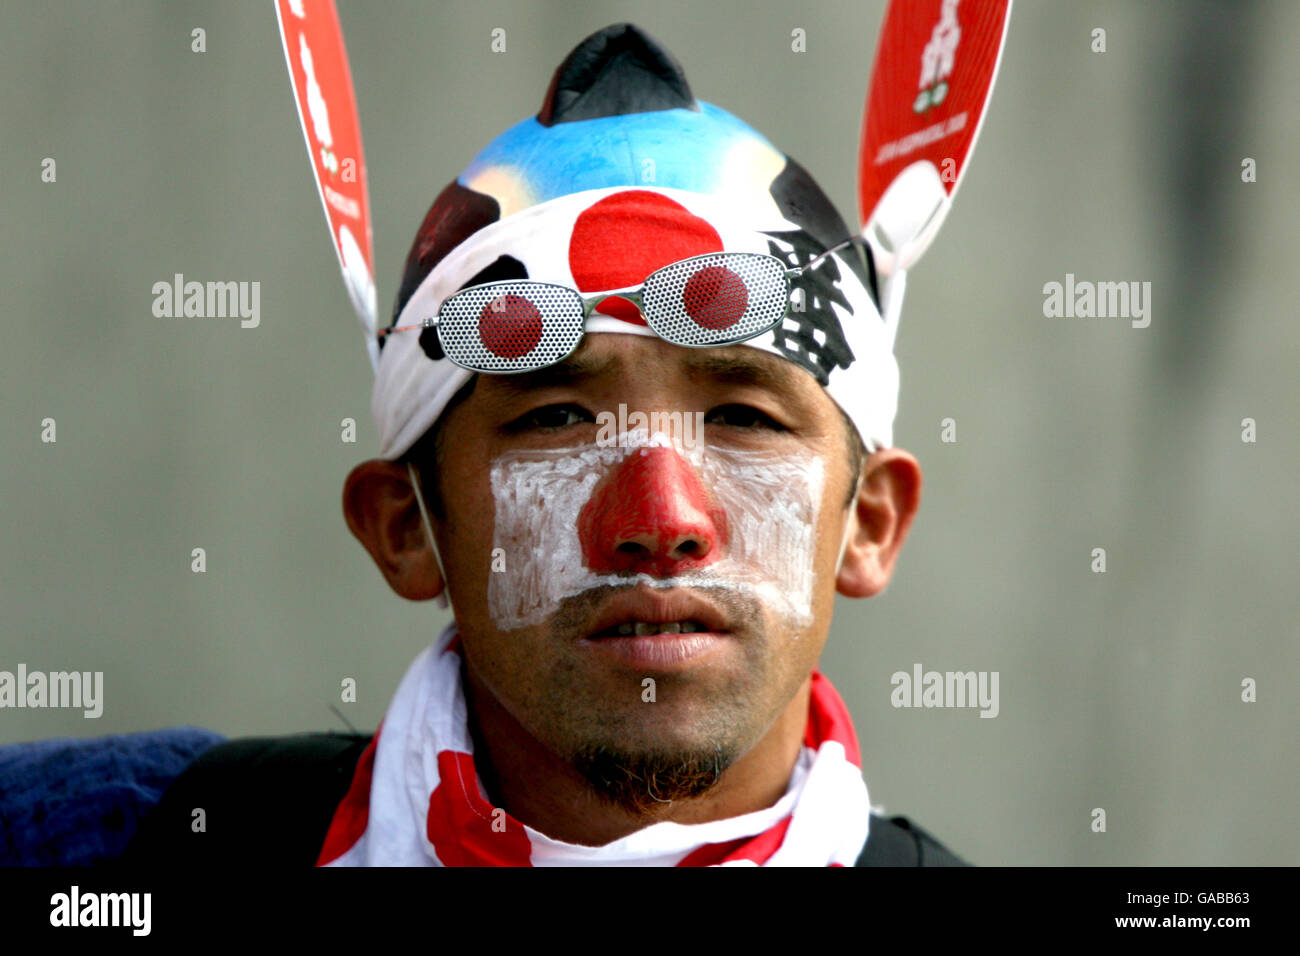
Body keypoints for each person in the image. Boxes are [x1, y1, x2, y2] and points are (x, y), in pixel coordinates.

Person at [74, 22, 965, 868]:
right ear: (407, 527)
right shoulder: (120, 837)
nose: (662, 522)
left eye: (742, 417)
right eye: (556, 420)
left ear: (871, 522)